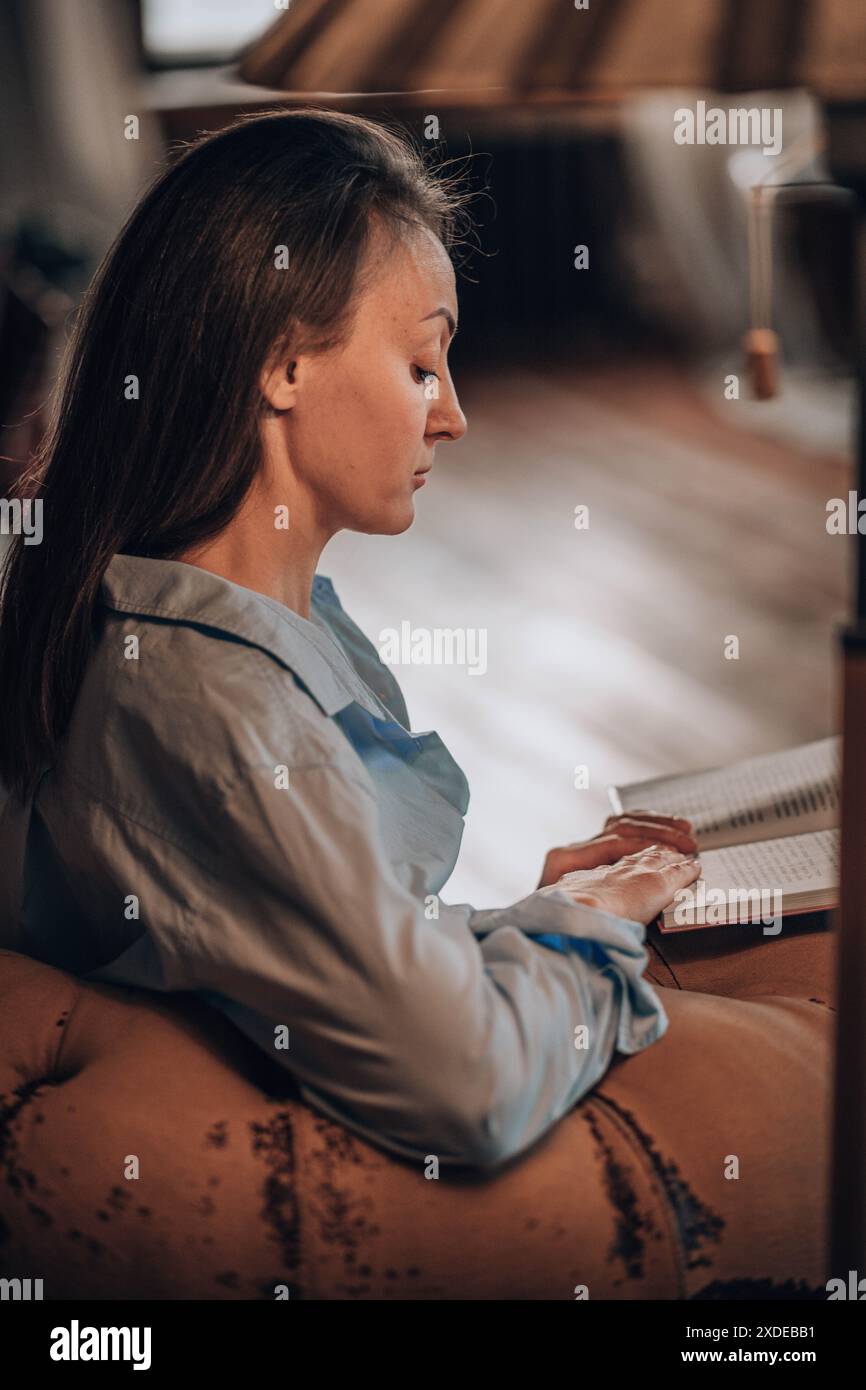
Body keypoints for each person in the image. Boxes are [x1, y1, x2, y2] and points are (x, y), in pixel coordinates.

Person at [0, 108, 701, 1170]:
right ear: (283, 367)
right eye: (421, 366)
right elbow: (466, 1086)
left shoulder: (215, 620)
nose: (451, 414)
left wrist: (537, 910)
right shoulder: (212, 703)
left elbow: (294, 932)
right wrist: (594, 923)